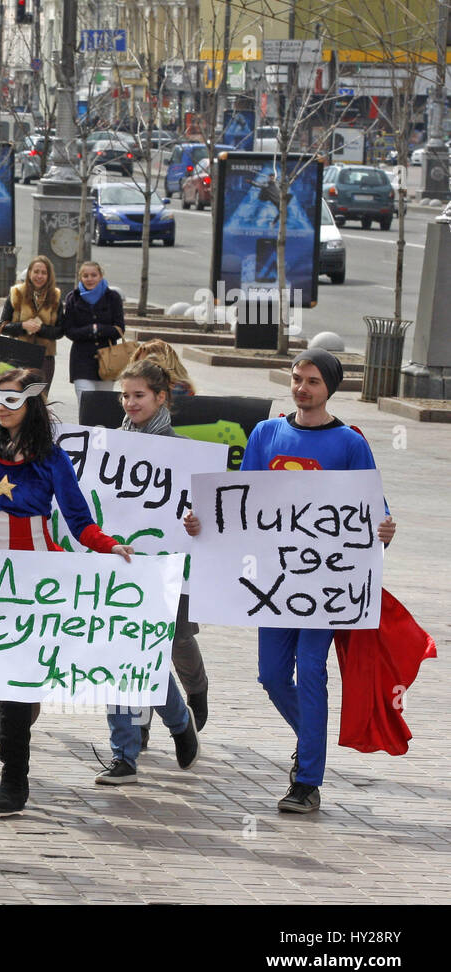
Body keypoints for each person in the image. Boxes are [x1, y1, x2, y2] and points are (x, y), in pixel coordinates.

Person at [183, 348, 397, 814]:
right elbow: (240, 500)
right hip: (275, 584)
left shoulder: (349, 442)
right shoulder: (267, 432)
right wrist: (202, 523)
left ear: (330, 388)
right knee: (273, 675)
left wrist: (385, 527)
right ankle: (312, 739)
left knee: (312, 671)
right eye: (298, 378)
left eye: (313, 381)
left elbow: (372, 508)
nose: (302, 388)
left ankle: (307, 780)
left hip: (323, 587)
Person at [0, 367, 135, 816]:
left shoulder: (52, 460)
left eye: (11, 399)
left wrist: (111, 546)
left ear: (31, 404)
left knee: (14, 680)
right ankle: (9, 771)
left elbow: (80, 522)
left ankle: (14, 778)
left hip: (35, 579)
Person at [94, 359, 204, 785]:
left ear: (162, 397)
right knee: (114, 655)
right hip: (114, 567)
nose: (130, 402)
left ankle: (176, 723)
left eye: (139, 395)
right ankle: (125, 754)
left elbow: (204, 519)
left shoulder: (180, 451)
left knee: (144, 657)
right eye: (125, 395)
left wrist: (195, 523)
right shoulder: (109, 444)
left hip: (160, 573)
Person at [58, 260, 125, 402]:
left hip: (108, 360)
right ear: (80, 277)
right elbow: (69, 331)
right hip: (82, 360)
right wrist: (90, 330)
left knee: (103, 404)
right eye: (85, 276)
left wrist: (99, 329)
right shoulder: (73, 298)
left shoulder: (113, 297)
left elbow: (119, 329)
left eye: (93, 275)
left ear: (101, 276)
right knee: (85, 404)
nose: (89, 279)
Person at [0, 255, 63, 387]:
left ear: (49, 276)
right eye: (36, 272)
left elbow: (60, 331)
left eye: (44, 273)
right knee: (19, 393)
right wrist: (23, 326)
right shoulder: (16, 293)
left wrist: (41, 329)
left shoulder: (55, 297)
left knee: (40, 397)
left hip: (45, 357)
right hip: (18, 353)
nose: (39, 276)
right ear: (29, 273)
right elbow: (2, 326)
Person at [129, 338, 195, 399]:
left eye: (144, 365)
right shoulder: (185, 389)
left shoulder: (157, 392)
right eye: (137, 365)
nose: (139, 371)